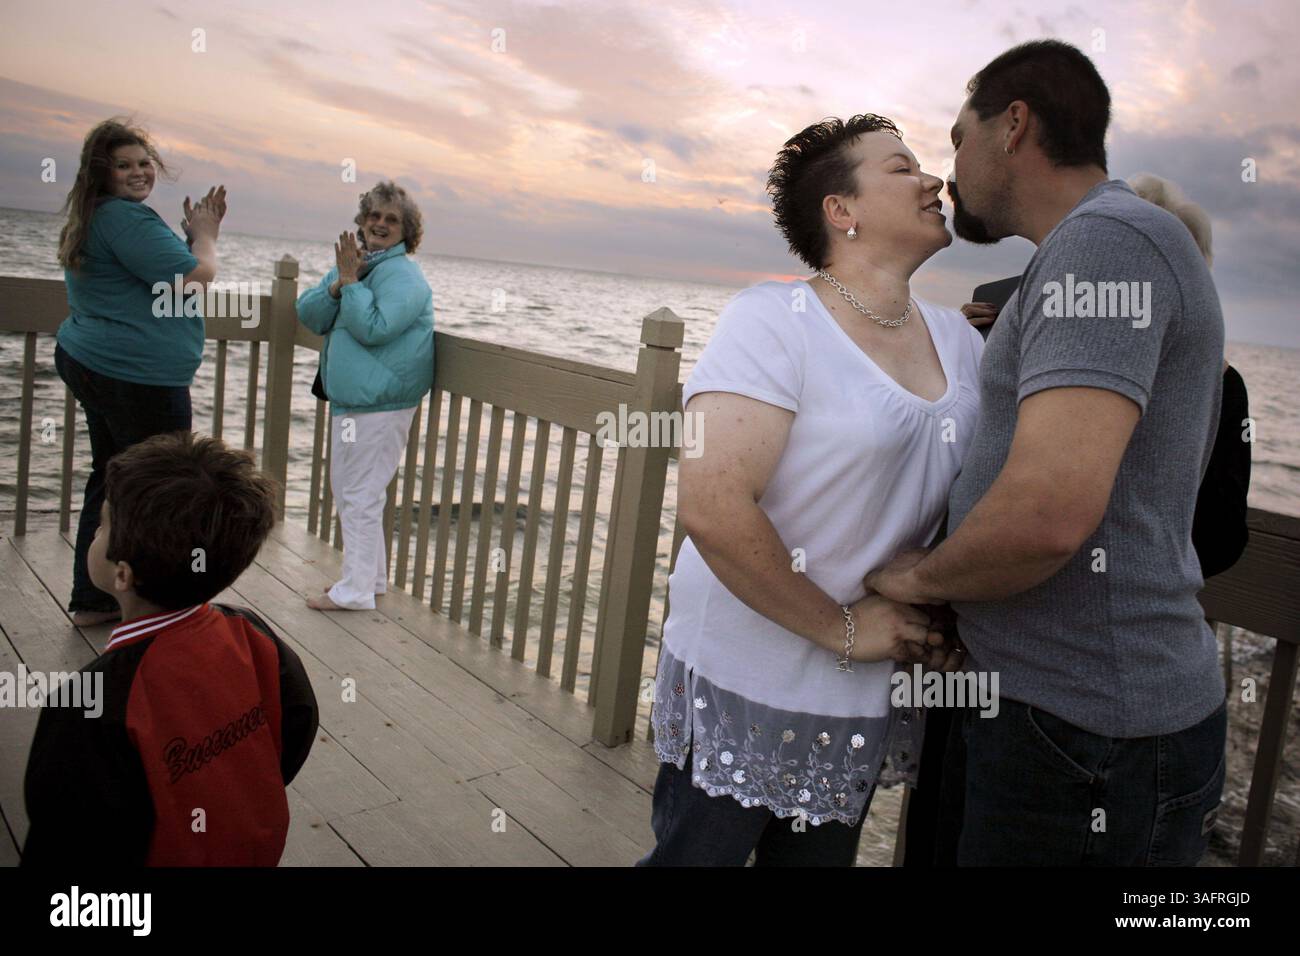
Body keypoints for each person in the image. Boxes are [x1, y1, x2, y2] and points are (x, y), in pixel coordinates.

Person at [869, 40, 1228, 866]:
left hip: (1086, 729)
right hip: (1070, 716)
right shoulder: (1099, 246)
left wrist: (914, 579)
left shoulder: (1107, 245)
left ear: (1014, 126)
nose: (948, 168)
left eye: (958, 137)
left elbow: (1050, 514)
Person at [638, 115, 977, 867]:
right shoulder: (773, 321)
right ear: (841, 210)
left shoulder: (964, 341)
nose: (933, 181)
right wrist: (844, 630)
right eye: (902, 168)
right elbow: (713, 506)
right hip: (749, 668)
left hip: (861, 689)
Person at [22, 433, 318, 866]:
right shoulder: (251, 634)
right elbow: (298, 722)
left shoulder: (90, 702)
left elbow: (64, 835)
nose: (96, 531)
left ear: (122, 575)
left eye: (102, 524)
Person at [54, 117, 226, 626]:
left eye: (144, 163)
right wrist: (207, 237)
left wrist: (186, 236)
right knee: (166, 488)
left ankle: (94, 597)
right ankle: (160, 604)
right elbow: (194, 278)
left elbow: (153, 273)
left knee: (114, 479)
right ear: (100, 174)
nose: (137, 172)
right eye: (123, 165)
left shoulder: (99, 216)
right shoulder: (124, 219)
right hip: (136, 378)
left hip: (99, 363)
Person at [296, 181, 434, 611]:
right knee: (352, 490)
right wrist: (339, 285)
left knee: (359, 493)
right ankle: (369, 580)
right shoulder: (356, 265)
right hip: (353, 402)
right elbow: (310, 315)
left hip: (382, 403)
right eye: (373, 215)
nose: (379, 224)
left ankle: (354, 591)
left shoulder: (403, 276)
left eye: (392, 219)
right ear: (361, 220)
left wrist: (351, 284)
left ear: (406, 232)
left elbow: (375, 328)